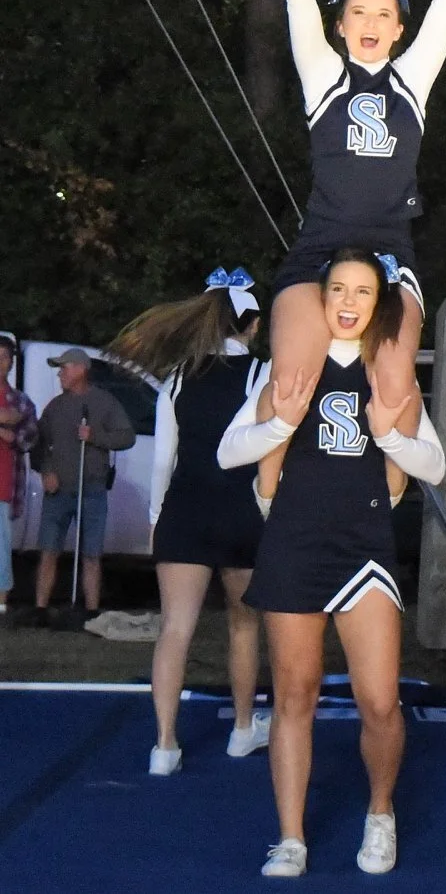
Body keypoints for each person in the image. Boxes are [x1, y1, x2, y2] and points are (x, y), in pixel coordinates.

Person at [218, 248, 446, 879]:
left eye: (363, 293)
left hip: (364, 546)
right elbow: (227, 453)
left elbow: (437, 465)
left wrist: (391, 434)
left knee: (379, 700)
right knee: (294, 695)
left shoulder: (387, 371)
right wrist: (280, 422)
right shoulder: (287, 366)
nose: (348, 304)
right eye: (337, 290)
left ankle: (380, 813)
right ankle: (290, 837)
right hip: (293, 543)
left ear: (380, 305)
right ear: (318, 300)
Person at [255, 0, 446, 413]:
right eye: (358, 12)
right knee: (290, 388)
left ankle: (391, 480)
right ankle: (265, 491)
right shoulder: (322, 76)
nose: (370, 23)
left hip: (390, 247)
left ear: (398, 29)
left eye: (383, 14)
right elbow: (298, 2)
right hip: (320, 244)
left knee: (390, 391)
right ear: (340, 26)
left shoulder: (412, 79)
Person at [107, 268, 272, 775]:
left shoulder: (178, 375)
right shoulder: (261, 374)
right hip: (241, 511)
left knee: (174, 628)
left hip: (185, 511)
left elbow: (164, 458)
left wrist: (159, 518)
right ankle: (243, 730)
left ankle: (164, 745)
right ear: (253, 323)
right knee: (244, 626)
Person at [31, 347, 135, 617]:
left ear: (80, 369)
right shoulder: (55, 407)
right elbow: (38, 444)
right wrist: (46, 471)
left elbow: (127, 437)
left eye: (64, 368)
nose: (60, 374)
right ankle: (41, 609)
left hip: (92, 489)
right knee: (49, 550)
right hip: (58, 490)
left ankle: (90, 611)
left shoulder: (104, 403)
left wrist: (95, 436)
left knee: (91, 553)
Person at [0, 333, 38, 615]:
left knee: (1, 548)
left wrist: (8, 432)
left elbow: (28, 439)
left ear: (11, 363)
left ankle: (1, 603)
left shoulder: (21, 402)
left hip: (4, 484)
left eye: (4, 357)